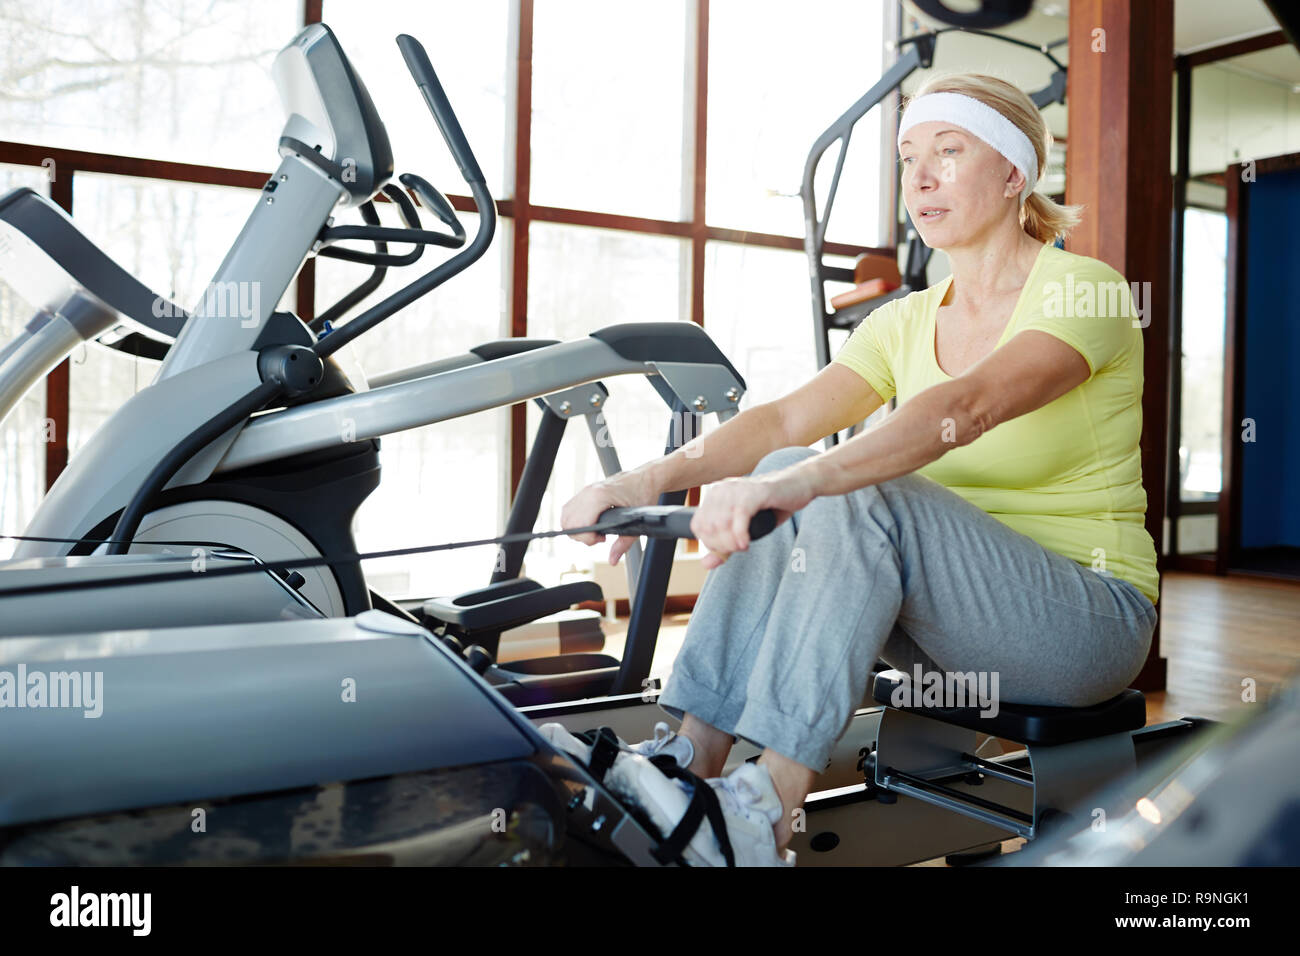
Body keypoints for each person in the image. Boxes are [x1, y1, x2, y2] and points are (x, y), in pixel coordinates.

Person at [550, 72, 1160, 867]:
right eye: (909, 158)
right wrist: (640, 482)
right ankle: (688, 768)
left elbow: (964, 408)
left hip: (1084, 622)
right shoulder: (902, 319)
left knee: (836, 482)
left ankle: (764, 809)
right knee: (790, 456)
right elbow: (781, 421)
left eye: (950, 151)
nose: (922, 177)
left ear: (1015, 174)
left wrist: (802, 483)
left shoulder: (1086, 292)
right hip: (941, 625)